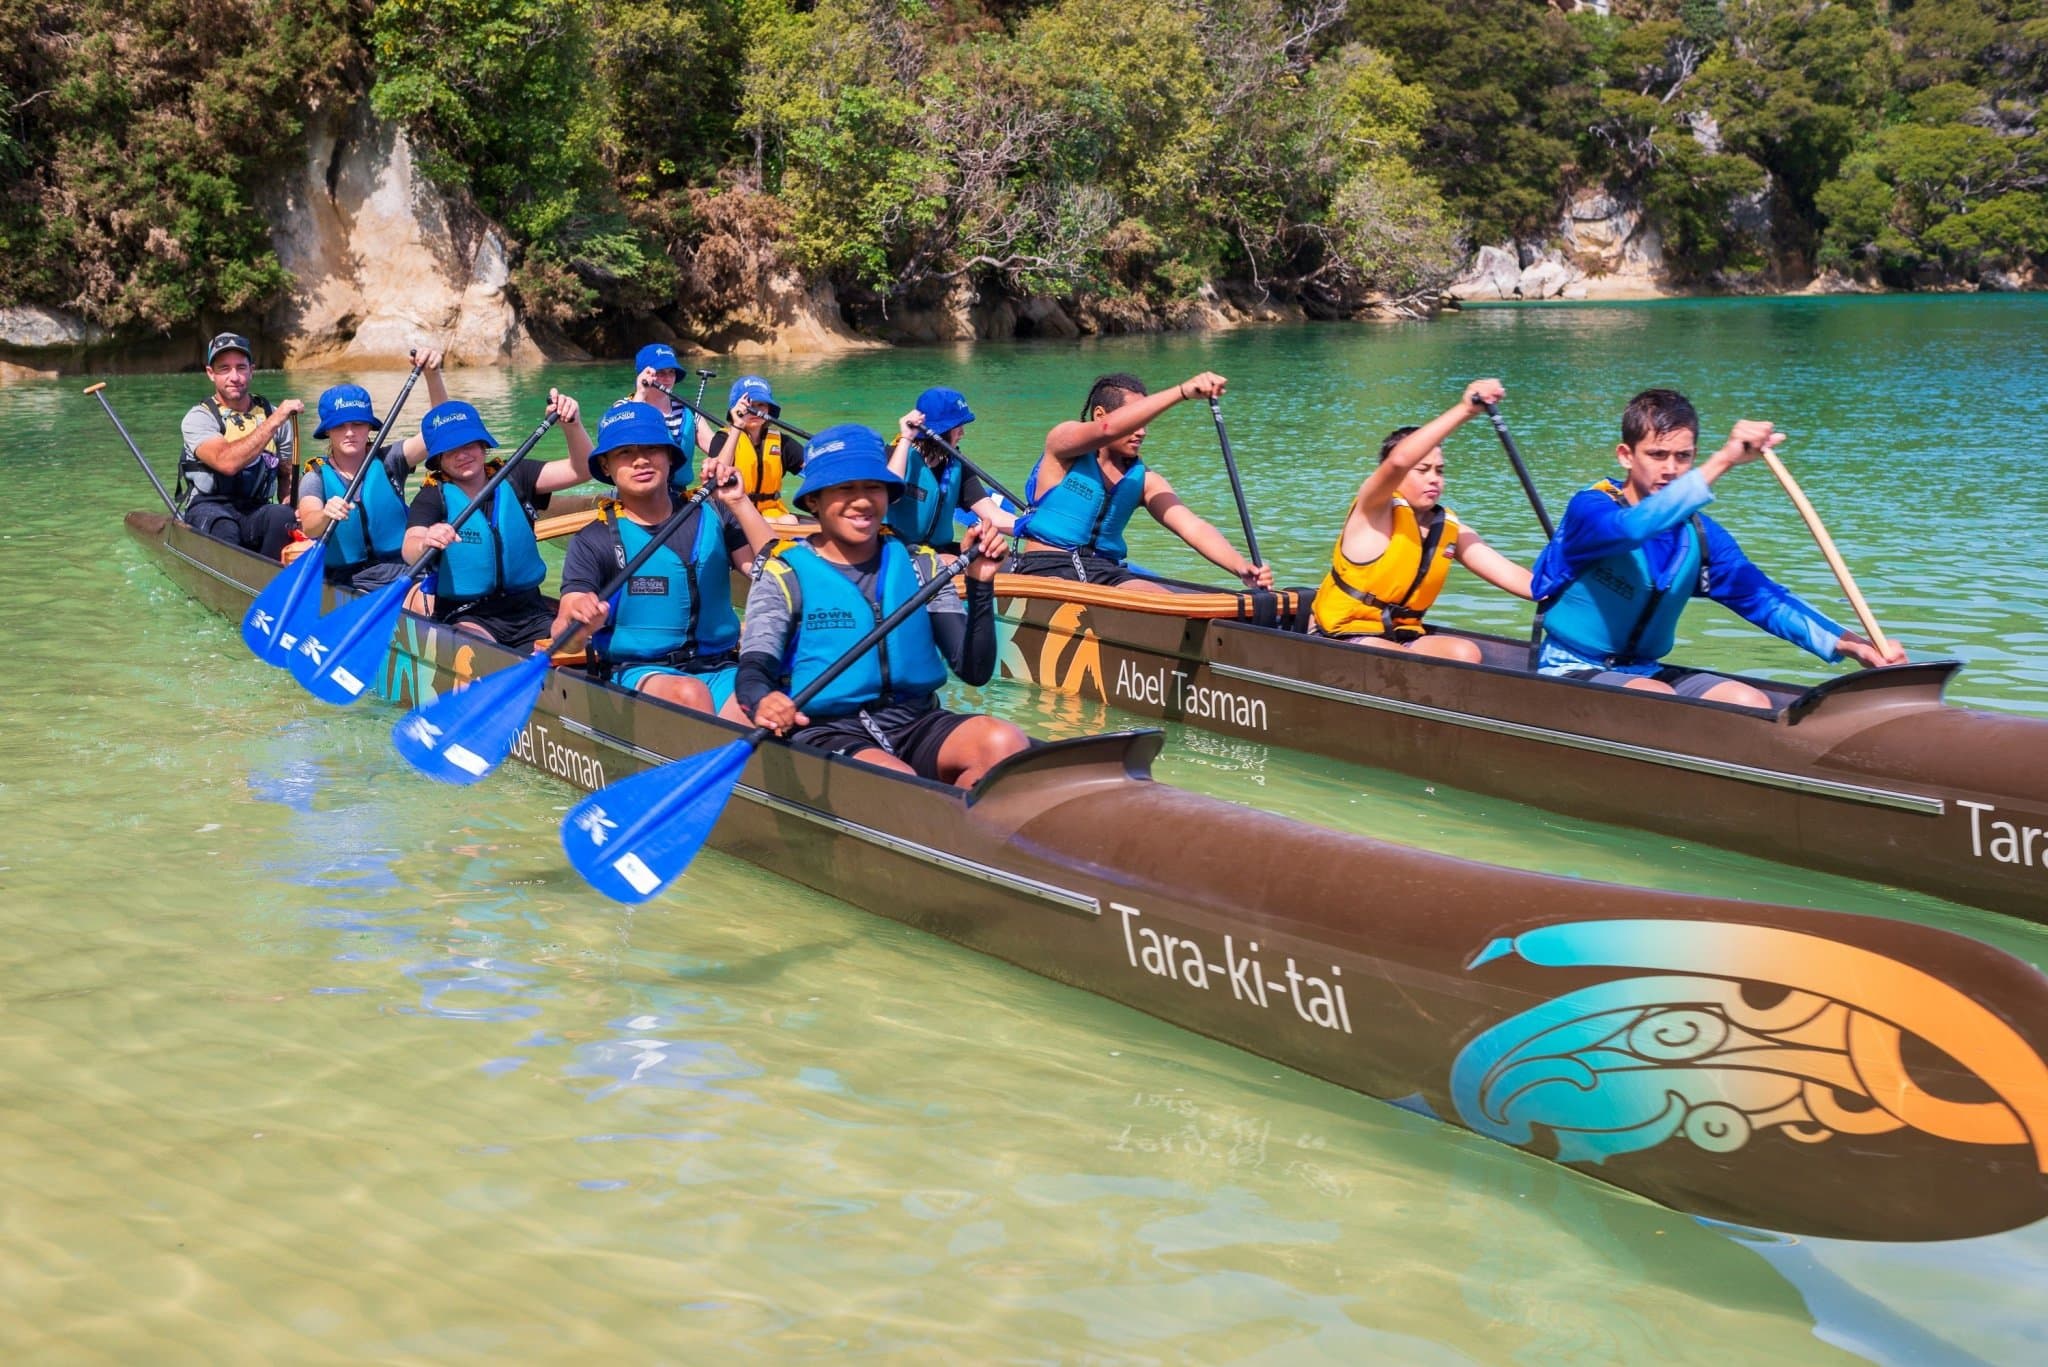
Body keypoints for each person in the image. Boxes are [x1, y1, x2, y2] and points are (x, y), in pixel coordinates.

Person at [1528, 387, 1905, 707]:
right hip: (1569, 666)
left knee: (1749, 702)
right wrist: (1725, 459)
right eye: (1657, 455)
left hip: (1644, 670)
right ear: (1626, 455)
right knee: (1656, 697)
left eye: (1684, 456)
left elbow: (1765, 601)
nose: (1672, 469)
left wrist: (1855, 646)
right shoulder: (1591, 510)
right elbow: (1633, 529)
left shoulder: (1700, 538)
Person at [737, 424, 1031, 788]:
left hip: (916, 721)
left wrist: (980, 582)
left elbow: (973, 671)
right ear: (813, 501)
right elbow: (753, 670)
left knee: (1004, 743)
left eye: (873, 487)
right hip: (829, 730)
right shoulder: (784, 574)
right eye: (845, 488)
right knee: (898, 779)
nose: (862, 501)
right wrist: (764, 701)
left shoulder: (922, 565)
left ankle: (971, 825)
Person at [548, 402, 776, 719]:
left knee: (761, 706)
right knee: (690, 694)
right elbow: (565, 637)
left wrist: (739, 502)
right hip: (640, 672)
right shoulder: (594, 540)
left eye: (652, 449)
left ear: (670, 458)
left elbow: (777, 571)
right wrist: (580, 623)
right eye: (625, 453)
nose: (641, 460)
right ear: (607, 466)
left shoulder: (715, 513)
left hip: (720, 665)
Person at [1309, 380, 1534, 661]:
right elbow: (1399, 461)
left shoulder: (1449, 529)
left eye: (1439, 471)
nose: (1434, 479)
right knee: (1403, 662)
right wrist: (1466, 409)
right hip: (1338, 637)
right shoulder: (1373, 508)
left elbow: (1523, 581)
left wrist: (1568, 586)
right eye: (1423, 469)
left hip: (1399, 638)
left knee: (1466, 653)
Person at [1010, 371, 1271, 594]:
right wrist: (1181, 392)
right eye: (1135, 420)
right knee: (1067, 595)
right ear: (1100, 415)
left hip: (1105, 573)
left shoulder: (1146, 481)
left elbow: (1193, 527)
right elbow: (1107, 430)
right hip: (1047, 566)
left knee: (1172, 605)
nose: (1142, 431)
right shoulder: (1062, 445)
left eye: (1145, 422)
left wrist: (1241, 567)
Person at [401, 390, 594, 649]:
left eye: (468, 444)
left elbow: (582, 470)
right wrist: (426, 541)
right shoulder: (432, 496)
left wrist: (572, 426)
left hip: (530, 611)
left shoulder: (516, 476)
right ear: (438, 460)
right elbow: (409, 546)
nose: (462, 455)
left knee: (579, 646)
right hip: (467, 615)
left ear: (483, 445)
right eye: (451, 450)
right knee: (478, 648)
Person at [294, 351, 451, 589]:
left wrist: (432, 375)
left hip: (406, 569)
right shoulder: (315, 476)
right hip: (351, 579)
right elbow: (309, 524)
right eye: (340, 426)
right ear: (327, 431)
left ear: (369, 427)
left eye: (357, 424)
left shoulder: (391, 459)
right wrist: (326, 514)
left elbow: (441, 430)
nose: (350, 432)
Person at [177, 332, 301, 558]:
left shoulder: (274, 415)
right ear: (210, 374)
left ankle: (271, 580)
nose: (234, 376)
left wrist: (293, 510)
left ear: (251, 370)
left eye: (241, 367)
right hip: (209, 506)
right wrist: (275, 420)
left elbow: (286, 476)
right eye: (224, 368)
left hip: (255, 508)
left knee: (283, 517)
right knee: (226, 529)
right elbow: (227, 463)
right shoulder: (198, 418)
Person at [884, 387, 1016, 552]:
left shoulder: (956, 466)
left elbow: (994, 516)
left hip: (939, 551)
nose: (963, 433)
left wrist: (1033, 527)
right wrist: (906, 438)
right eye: (957, 426)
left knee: (1005, 558)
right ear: (942, 430)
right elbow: (889, 495)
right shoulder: (894, 455)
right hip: (897, 551)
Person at [706, 375, 804, 523]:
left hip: (771, 511)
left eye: (761, 405)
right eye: (749, 405)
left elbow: (812, 467)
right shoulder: (723, 438)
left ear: (769, 410)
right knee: (769, 522)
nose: (755, 411)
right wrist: (737, 425)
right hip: (731, 512)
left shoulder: (782, 442)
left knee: (789, 520)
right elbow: (718, 475)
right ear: (737, 408)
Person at [625, 342, 716, 473]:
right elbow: (627, 440)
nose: (667, 378)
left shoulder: (688, 411)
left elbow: (718, 450)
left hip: (677, 492)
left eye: (671, 372)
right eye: (660, 372)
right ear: (644, 375)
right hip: (639, 491)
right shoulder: (624, 407)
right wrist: (640, 393)